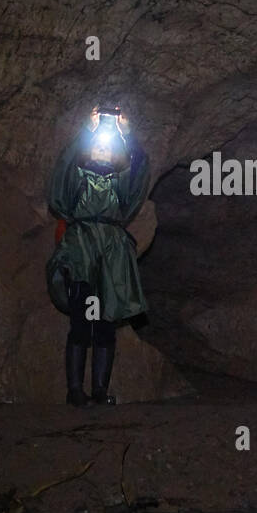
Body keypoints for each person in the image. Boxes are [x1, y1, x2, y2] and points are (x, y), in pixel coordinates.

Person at [46, 106, 150, 406]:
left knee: (105, 323)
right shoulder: (76, 177)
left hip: (111, 256)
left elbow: (140, 170)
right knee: (81, 320)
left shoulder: (121, 181)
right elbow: (61, 177)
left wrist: (127, 135)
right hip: (81, 252)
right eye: (98, 144)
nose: (103, 148)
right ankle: (75, 391)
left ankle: (100, 391)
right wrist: (87, 131)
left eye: (109, 144)